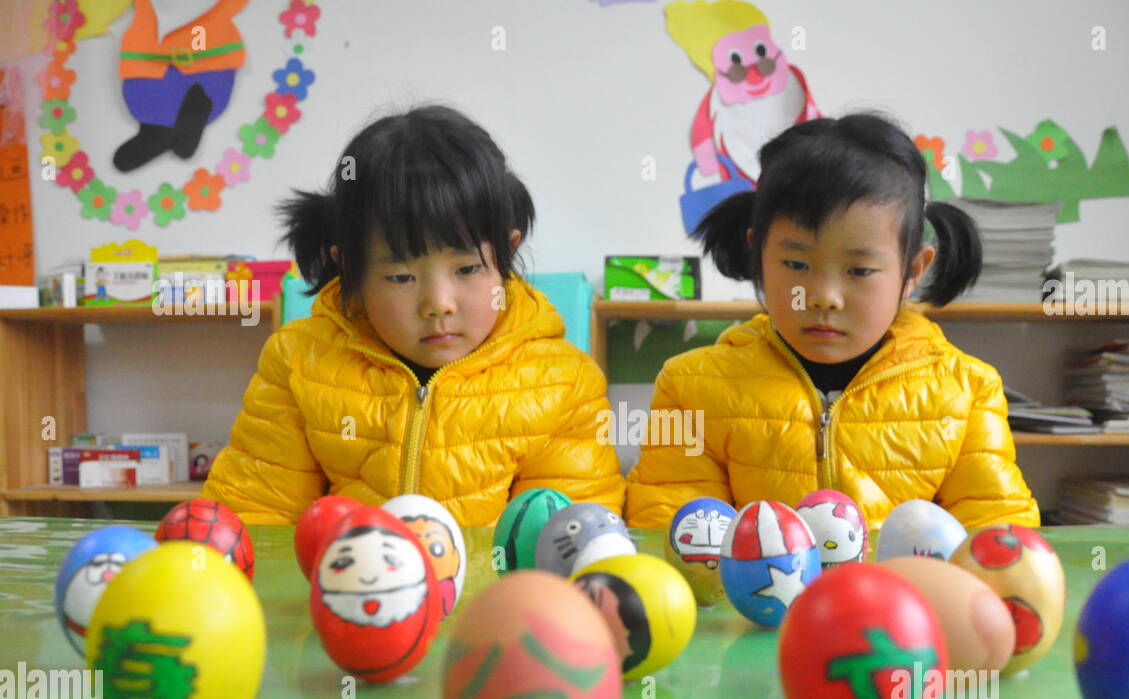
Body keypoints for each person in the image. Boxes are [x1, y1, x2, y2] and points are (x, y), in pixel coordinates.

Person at [203, 104, 624, 525]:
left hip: (495, 592)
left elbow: (570, 542)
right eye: (402, 276)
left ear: (507, 253)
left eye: (467, 269)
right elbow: (256, 520)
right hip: (348, 588)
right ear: (351, 269)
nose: (438, 303)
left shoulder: (563, 383)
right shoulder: (298, 364)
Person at [625, 111, 1038, 529]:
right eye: (795, 263)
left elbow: (999, 541)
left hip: (905, 594)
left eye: (859, 271)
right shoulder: (693, 390)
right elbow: (675, 535)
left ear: (913, 271)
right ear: (758, 257)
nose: (824, 297)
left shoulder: (966, 393)